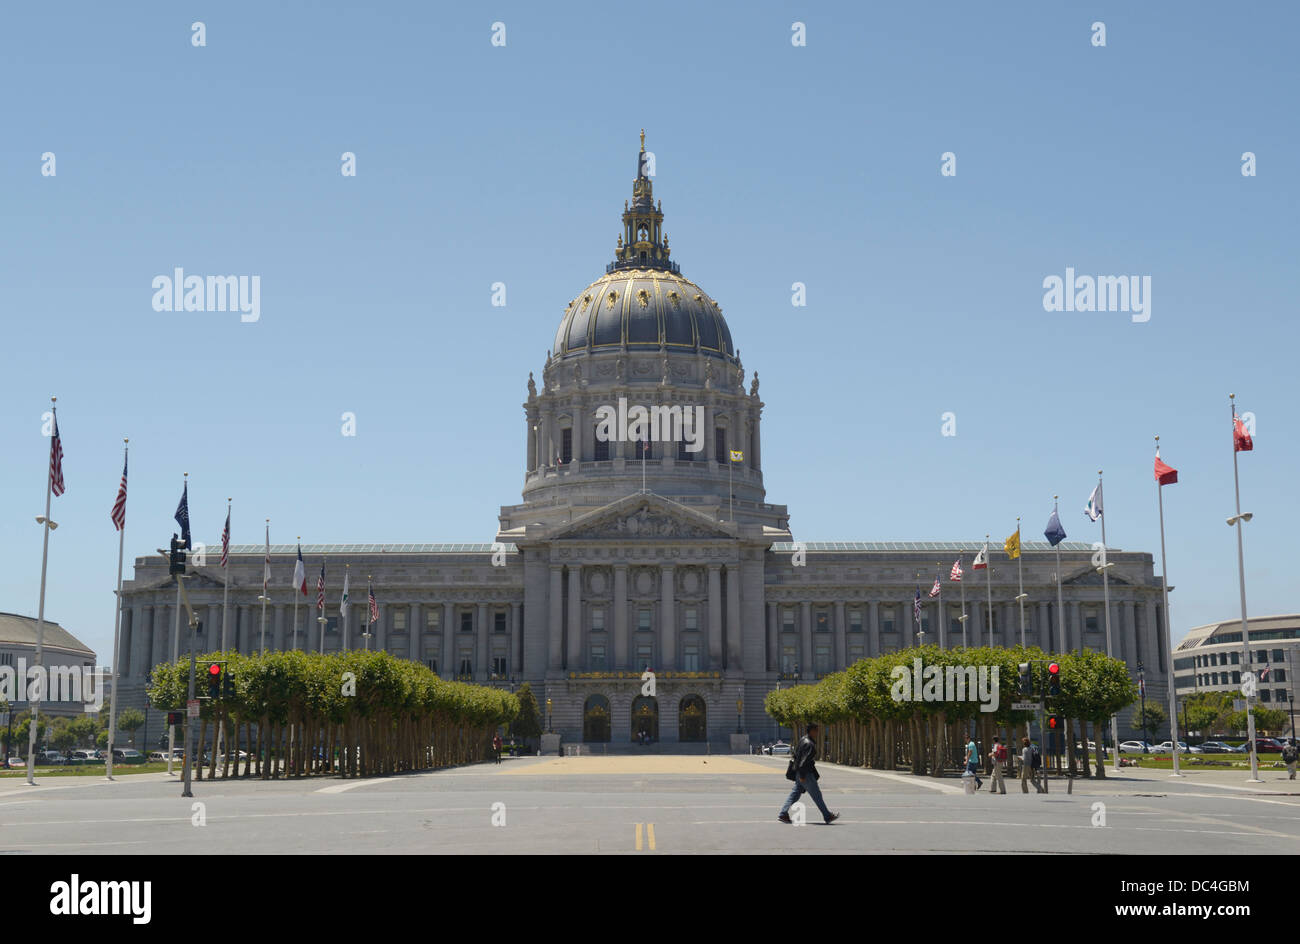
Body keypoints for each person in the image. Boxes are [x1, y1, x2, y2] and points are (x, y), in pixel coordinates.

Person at [778, 723, 840, 824]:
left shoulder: (802, 740)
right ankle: (827, 816)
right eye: (816, 730)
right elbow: (804, 762)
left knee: (795, 794)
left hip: (798, 772)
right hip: (806, 774)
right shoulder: (810, 744)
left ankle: (783, 813)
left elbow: (796, 756)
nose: (817, 732)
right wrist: (802, 776)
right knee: (817, 795)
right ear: (811, 731)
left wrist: (799, 774)